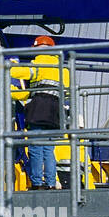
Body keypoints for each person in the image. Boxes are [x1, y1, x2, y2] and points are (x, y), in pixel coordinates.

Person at [24, 35, 68, 189]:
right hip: (55, 108)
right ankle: (50, 182)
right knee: (49, 148)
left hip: (39, 106)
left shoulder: (37, 62)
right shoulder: (62, 66)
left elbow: (24, 74)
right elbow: (67, 89)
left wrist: (9, 66)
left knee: (36, 147)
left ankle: (36, 183)